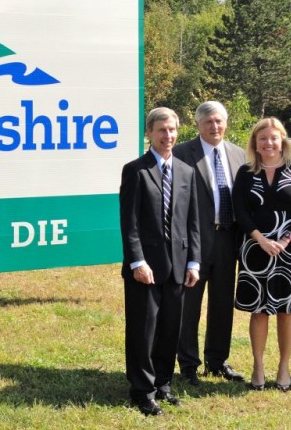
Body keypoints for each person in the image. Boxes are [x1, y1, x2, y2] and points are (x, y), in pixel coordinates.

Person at [119, 107, 201, 416]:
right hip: (146, 268)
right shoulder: (136, 171)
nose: (168, 135)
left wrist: (193, 262)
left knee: (170, 329)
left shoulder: (186, 171)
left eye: (172, 129)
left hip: (178, 266)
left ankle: (163, 383)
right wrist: (137, 262)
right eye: (162, 130)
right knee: (144, 330)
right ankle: (142, 390)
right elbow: (129, 223)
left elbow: (193, 221)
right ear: (149, 133)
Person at [233, 117, 291, 391]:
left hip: (290, 251)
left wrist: (284, 240)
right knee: (258, 311)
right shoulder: (245, 172)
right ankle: (258, 368)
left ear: (282, 141)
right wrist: (260, 239)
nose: (268, 143)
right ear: (255, 143)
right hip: (255, 249)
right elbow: (240, 210)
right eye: (262, 138)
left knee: (286, 311)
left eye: (273, 138)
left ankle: (284, 367)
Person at [174, 101, 246, 386]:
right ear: (198, 125)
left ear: (225, 123)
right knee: (189, 305)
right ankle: (188, 364)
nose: (215, 127)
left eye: (219, 121)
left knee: (222, 304)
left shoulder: (239, 154)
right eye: (208, 122)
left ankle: (217, 361)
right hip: (195, 241)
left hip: (229, 239)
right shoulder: (182, 154)